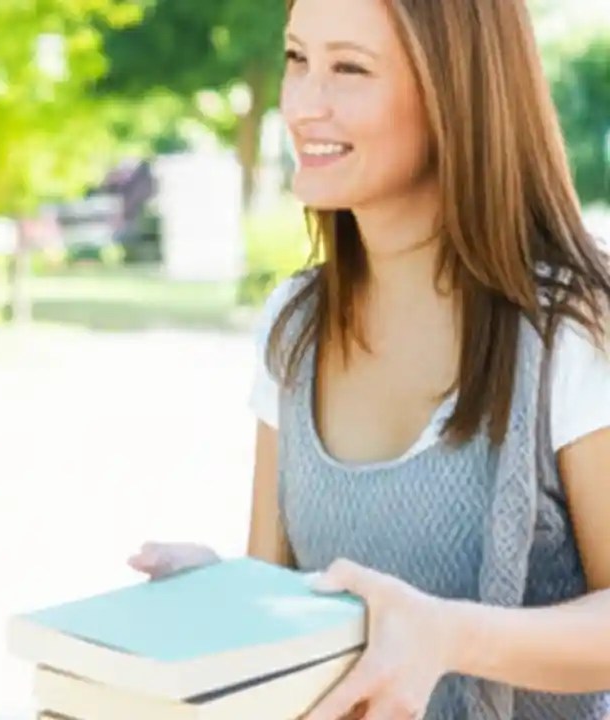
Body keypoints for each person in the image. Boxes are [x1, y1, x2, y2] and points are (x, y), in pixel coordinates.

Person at [129, 0, 610, 717]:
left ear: (453, 91)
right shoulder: (294, 326)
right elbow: (284, 593)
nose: (302, 106)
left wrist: (449, 634)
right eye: (297, 59)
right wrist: (225, 597)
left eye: (349, 68)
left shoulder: (571, 327)